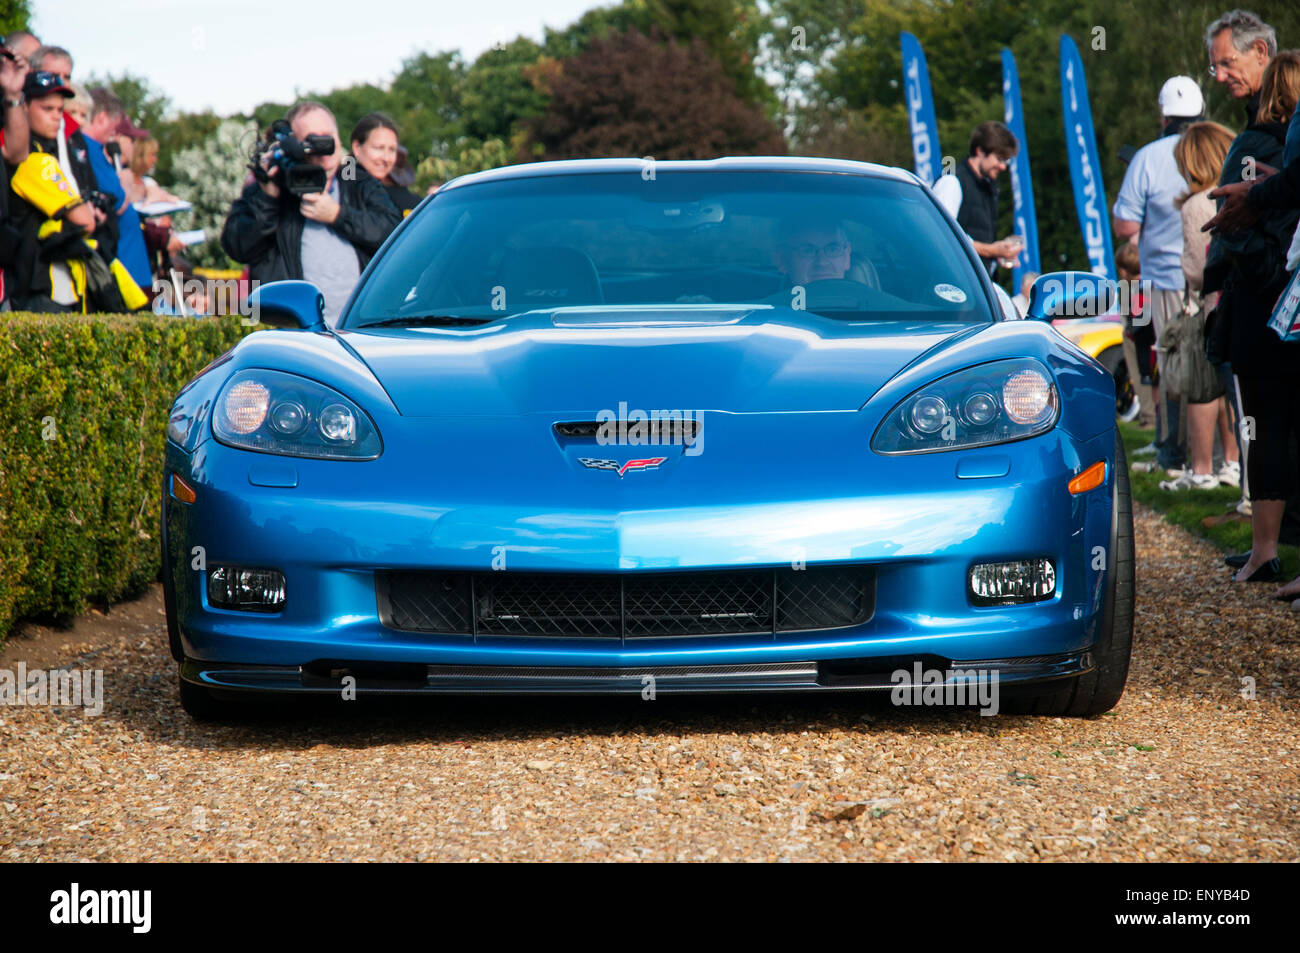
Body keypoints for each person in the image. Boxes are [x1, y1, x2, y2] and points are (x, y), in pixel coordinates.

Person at [1201, 52, 1300, 584]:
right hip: (1287, 300)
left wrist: (1259, 279)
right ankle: (1270, 548)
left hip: (1265, 306)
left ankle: (1265, 548)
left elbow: (1229, 223)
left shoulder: (1256, 144)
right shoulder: (1284, 149)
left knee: (1263, 425)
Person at [220, 101, 401, 326]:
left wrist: (338, 215)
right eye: (310, 142)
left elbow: (395, 234)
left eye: (327, 139)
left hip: (360, 332)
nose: (321, 152)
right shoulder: (271, 191)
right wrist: (269, 197)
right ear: (293, 146)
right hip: (298, 335)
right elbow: (237, 246)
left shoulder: (357, 182)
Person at [1112, 76, 1204, 478]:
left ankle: (1173, 453)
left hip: (1165, 276)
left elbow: (1125, 226)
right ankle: (1216, 460)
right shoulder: (1218, 146)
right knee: (1208, 368)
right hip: (1211, 274)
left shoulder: (1148, 157)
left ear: (1163, 113)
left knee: (1169, 366)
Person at [5, 71, 145, 312]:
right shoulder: (34, 159)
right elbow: (85, 220)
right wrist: (83, 214)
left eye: (60, 110)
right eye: (47, 109)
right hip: (37, 289)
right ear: (24, 107)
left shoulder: (51, 153)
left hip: (52, 285)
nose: (56, 118)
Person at [1158, 121, 1240, 491]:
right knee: (1238, 399)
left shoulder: (1196, 205)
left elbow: (1196, 270)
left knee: (1205, 388)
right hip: (1247, 302)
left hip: (1215, 309)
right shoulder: (1240, 193)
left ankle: (1203, 470)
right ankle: (1235, 466)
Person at [80, 88, 152, 290]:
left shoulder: (93, 149)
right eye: (114, 124)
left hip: (128, 269)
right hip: (122, 273)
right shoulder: (90, 148)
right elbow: (118, 202)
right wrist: (124, 182)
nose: (114, 132)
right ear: (102, 117)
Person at [930, 121, 1021, 275]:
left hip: (975, 283)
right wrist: (991, 250)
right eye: (999, 159)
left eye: (1006, 161)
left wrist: (998, 253)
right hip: (953, 282)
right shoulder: (952, 181)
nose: (1003, 167)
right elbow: (941, 236)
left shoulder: (988, 187)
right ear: (980, 151)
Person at [1206, 9, 1276, 124]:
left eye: (1227, 63)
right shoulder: (1266, 112)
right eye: (1214, 68)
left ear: (1260, 51)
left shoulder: (1287, 112)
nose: (1220, 77)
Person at [1114, 244, 1156, 431]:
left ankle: (1150, 419)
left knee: (1142, 380)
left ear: (1123, 270)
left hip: (1137, 340)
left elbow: (1134, 321)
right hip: (1152, 338)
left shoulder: (1128, 288)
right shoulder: (1151, 282)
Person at [349, 112, 418, 216]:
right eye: (378, 148)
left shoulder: (404, 197)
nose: (386, 158)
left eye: (392, 150)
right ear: (357, 148)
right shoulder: (340, 188)